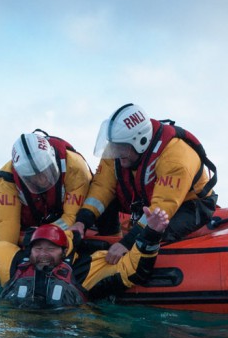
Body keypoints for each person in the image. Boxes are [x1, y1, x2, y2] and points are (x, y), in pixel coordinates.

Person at [0, 185, 169, 309]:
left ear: (63, 250)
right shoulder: (14, 262)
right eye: (38, 249)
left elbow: (133, 270)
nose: (43, 255)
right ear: (30, 249)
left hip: (67, 334)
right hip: (18, 333)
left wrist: (151, 233)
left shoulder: (84, 271)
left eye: (50, 249)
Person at [71, 103, 218, 264]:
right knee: (106, 202)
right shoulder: (118, 148)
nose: (117, 153)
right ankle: (110, 239)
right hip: (145, 199)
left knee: (158, 231)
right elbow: (101, 187)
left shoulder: (175, 158)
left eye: (122, 148)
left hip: (189, 204)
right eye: (114, 147)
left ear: (141, 141)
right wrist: (82, 221)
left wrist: (128, 243)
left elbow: (162, 208)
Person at [0, 130, 92, 247]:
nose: (42, 180)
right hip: (28, 228)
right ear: (20, 175)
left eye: (46, 172)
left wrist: (38, 235)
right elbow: (5, 238)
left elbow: (71, 217)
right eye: (32, 178)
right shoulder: (5, 182)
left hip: (52, 228)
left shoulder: (74, 166)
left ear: (53, 158)